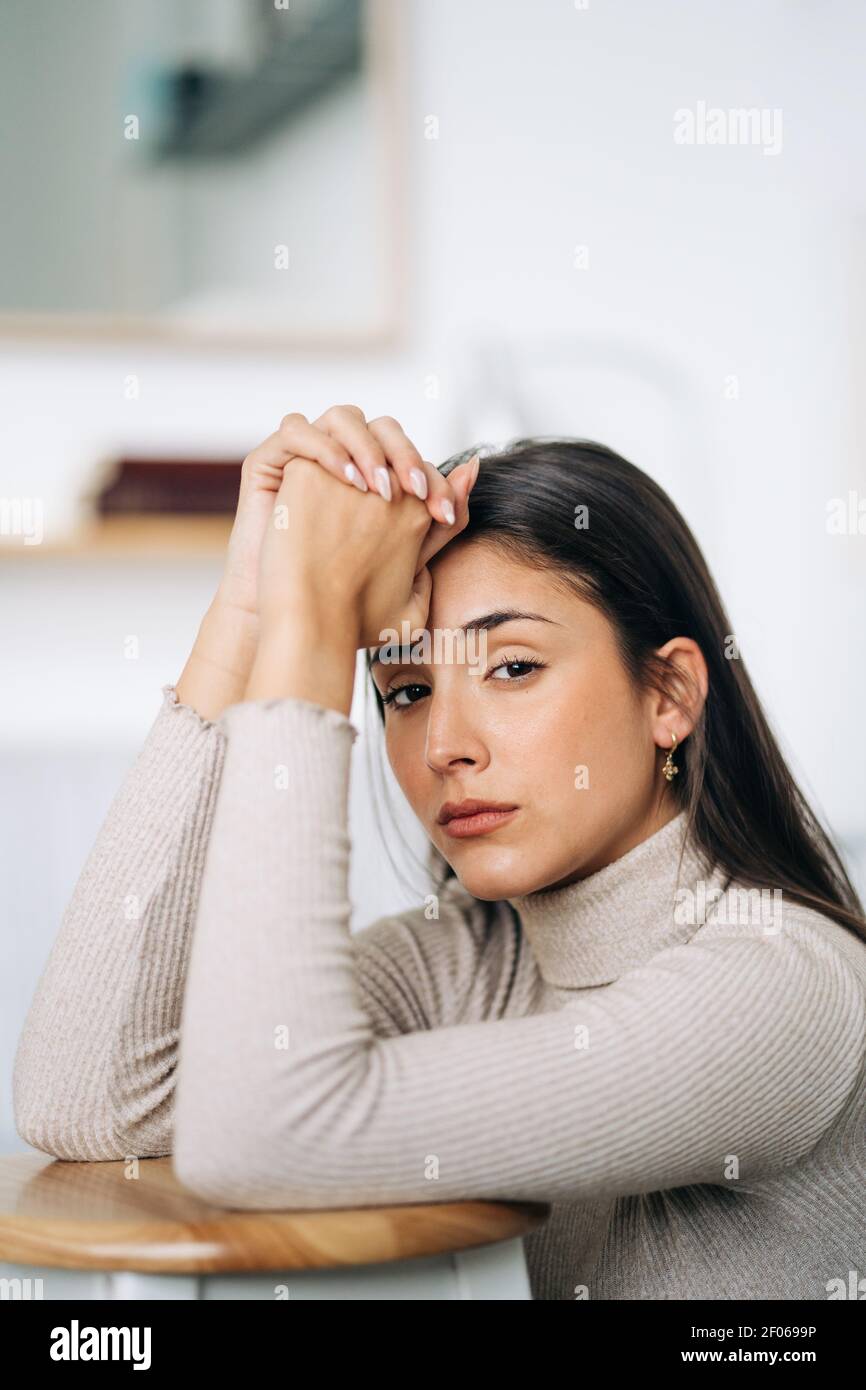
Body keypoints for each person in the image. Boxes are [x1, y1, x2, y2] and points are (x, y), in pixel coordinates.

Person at [14, 405, 866, 1301]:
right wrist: (251, 609)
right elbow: (85, 1100)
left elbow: (265, 1138)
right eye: (408, 687)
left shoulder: (780, 985)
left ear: (670, 694)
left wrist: (313, 624)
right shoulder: (461, 962)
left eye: (512, 667)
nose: (442, 746)